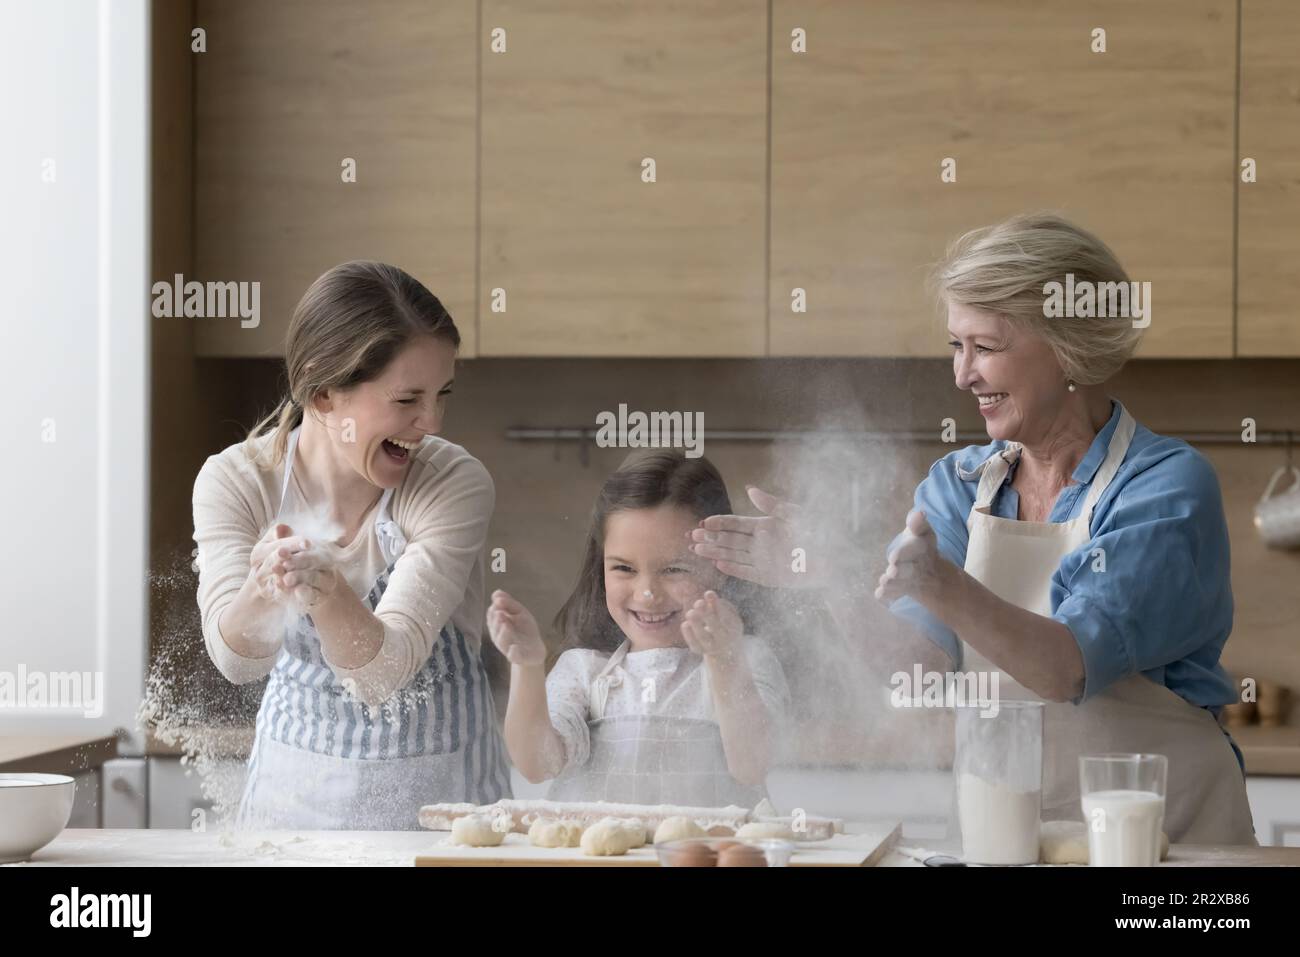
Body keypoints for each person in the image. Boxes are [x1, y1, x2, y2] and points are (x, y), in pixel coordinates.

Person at [192, 261, 510, 829]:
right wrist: (265, 588)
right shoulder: (239, 482)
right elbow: (236, 661)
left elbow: (381, 676)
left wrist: (327, 590)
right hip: (290, 823)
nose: (432, 422)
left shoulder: (451, 483)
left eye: (441, 394)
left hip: (442, 823)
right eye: (407, 399)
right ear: (321, 394)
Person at [486, 450, 790, 807]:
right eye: (624, 569)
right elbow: (539, 765)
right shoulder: (583, 670)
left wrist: (725, 659)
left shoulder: (748, 658)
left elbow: (752, 765)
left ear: (722, 567)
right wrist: (527, 666)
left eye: (675, 569)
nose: (647, 593)